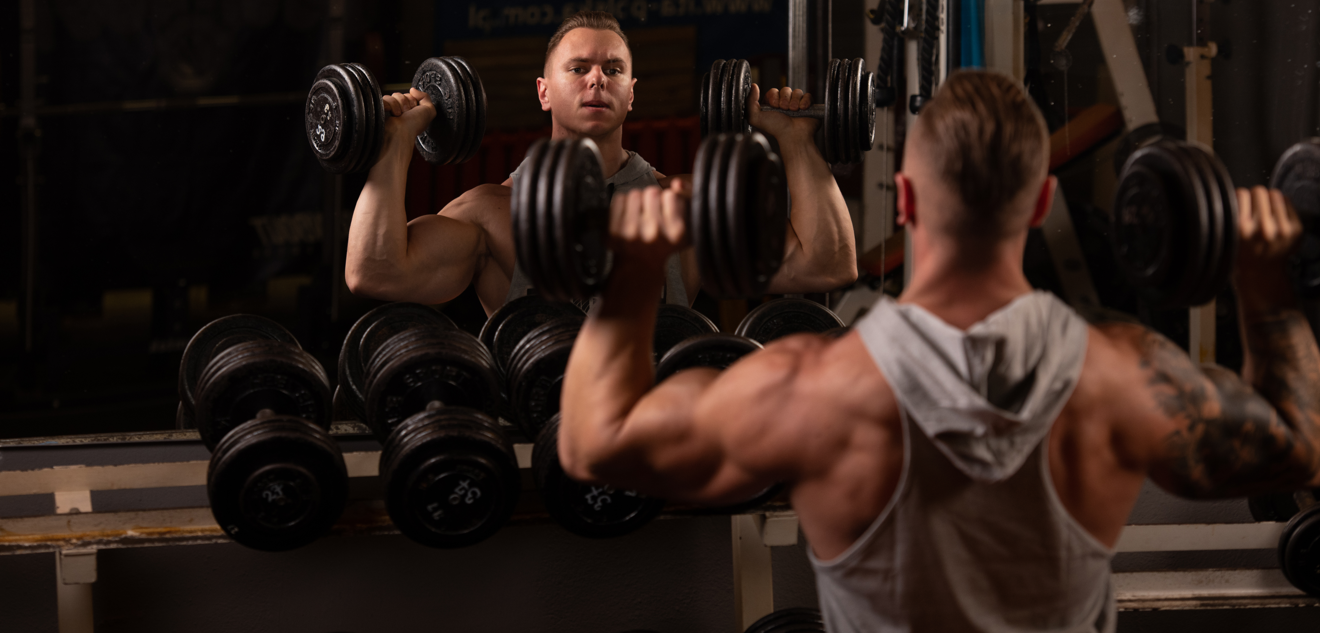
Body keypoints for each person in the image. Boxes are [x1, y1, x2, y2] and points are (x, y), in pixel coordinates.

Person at [559, 69, 1320, 633]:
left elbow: (596, 446)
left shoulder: (816, 386)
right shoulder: (1120, 370)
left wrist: (630, 278)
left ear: (908, 200)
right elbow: (1299, 447)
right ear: (1043, 203)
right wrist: (1266, 285)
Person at [345, 11, 857, 313]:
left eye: (613, 69)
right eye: (578, 68)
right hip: (540, 448)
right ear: (544, 92)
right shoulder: (491, 213)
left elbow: (827, 263)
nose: (597, 80)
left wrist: (796, 144)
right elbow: (376, 273)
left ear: (631, 94)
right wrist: (392, 149)